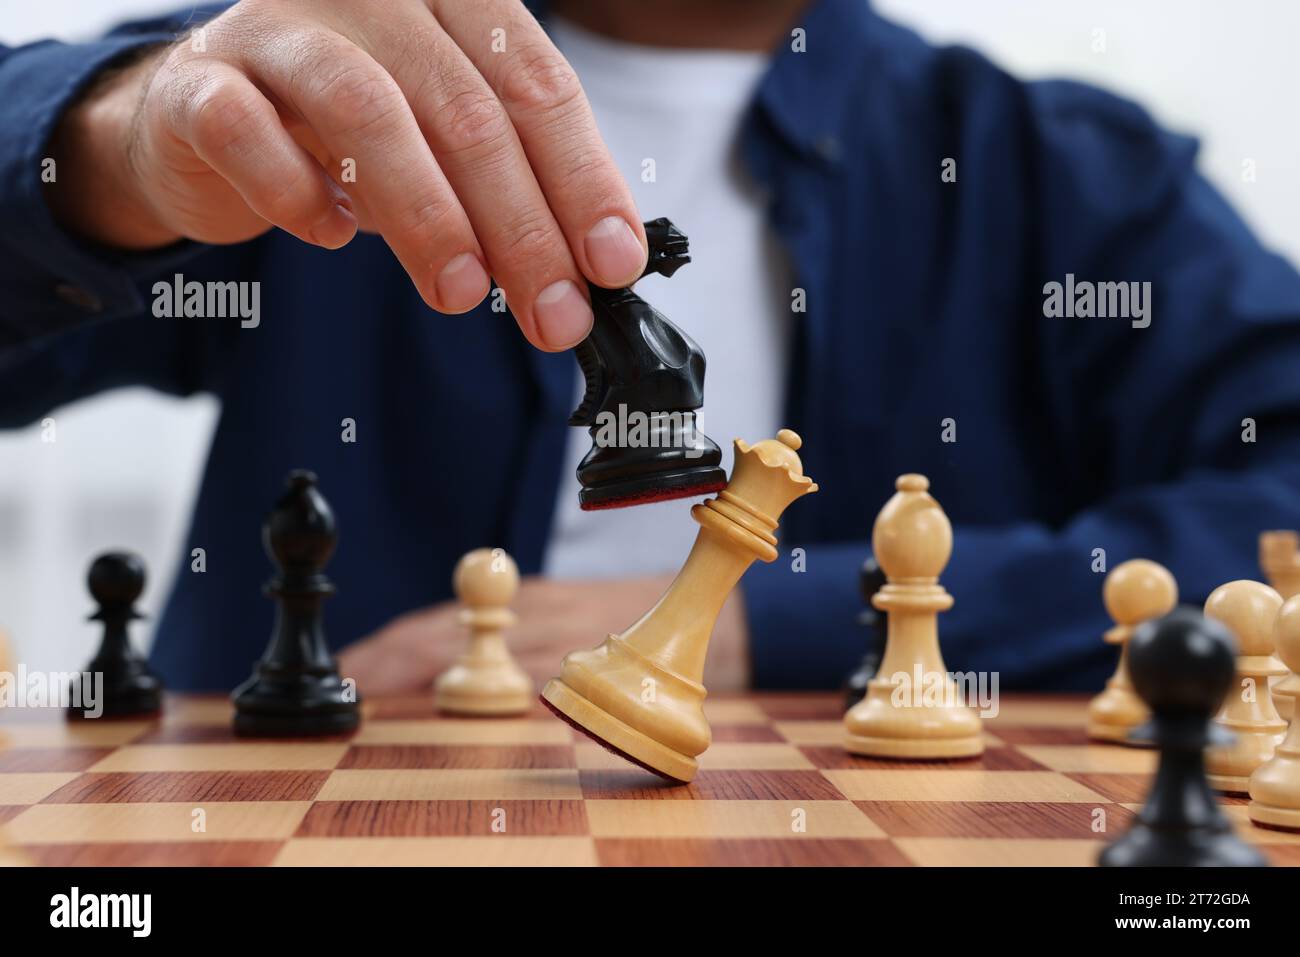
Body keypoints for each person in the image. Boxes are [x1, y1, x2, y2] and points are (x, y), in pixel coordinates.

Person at [2, 0, 1299, 696]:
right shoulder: (308, 68)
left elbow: (1279, 498)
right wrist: (109, 149)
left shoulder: (1064, 174)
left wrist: (755, 622)